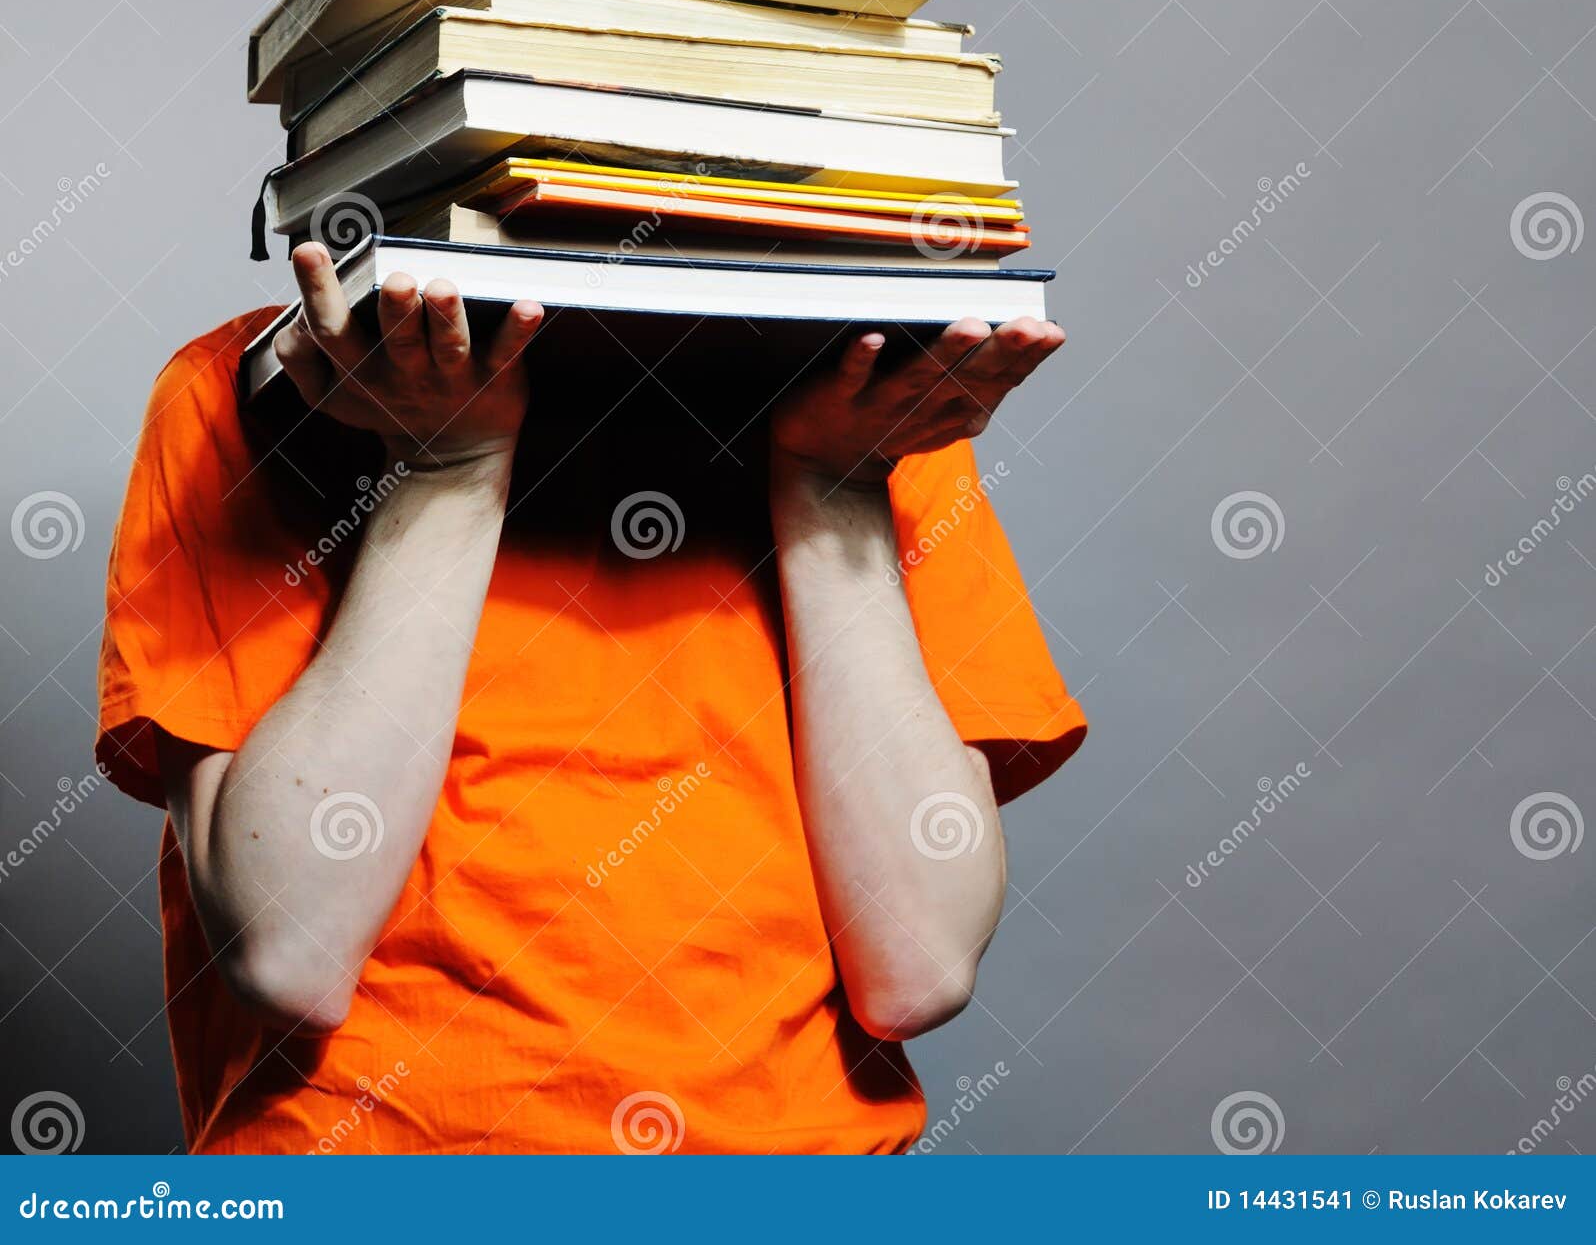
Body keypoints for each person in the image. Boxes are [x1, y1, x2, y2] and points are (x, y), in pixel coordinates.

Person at [97, 243, 1086, 1154]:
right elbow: (287, 949)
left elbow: (919, 966)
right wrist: (446, 467)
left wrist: (837, 481)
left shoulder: (883, 412)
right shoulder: (243, 393)